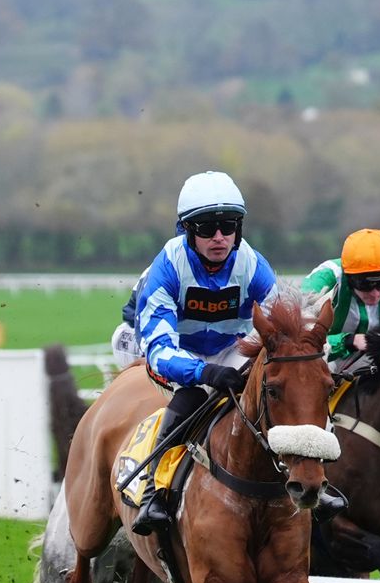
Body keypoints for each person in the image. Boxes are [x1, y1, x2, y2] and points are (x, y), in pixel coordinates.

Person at [128, 170, 332, 535]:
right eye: (206, 228)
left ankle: (314, 475)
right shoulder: (166, 269)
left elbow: (286, 324)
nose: (219, 237)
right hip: (177, 355)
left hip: (231, 349)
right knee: (190, 400)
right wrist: (203, 374)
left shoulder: (252, 264)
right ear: (187, 231)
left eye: (228, 226)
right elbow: (158, 351)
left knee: (288, 389)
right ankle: (154, 493)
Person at [301, 228, 380, 376]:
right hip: (323, 365)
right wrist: (348, 341)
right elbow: (300, 339)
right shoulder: (326, 278)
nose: (375, 293)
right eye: (365, 285)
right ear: (349, 277)